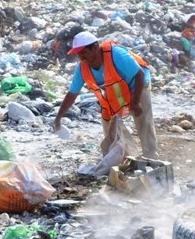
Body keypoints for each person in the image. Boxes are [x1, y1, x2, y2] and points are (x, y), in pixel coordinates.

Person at [52, 30, 158, 159]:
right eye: (79, 54)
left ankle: (151, 156)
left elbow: (139, 74)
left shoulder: (116, 55)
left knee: (142, 118)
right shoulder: (82, 68)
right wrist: (58, 117)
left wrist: (135, 102)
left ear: (95, 47)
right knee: (108, 120)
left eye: (84, 52)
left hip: (138, 84)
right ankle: (124, 156)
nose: (82, 57)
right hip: (116, 88)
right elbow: (72, 94)